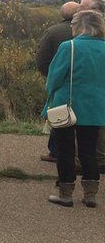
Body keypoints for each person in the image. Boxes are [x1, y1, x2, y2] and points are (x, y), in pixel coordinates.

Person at [45, 10, 105, 207]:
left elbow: (53, 79)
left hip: (67, 105)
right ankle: (90, 196)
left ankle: (66, 193)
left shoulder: (68, 47)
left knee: (65, 150)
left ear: (80, 26)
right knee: (89, 150)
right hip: (95, 107)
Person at [36, 1, 80, 162]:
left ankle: (55, 151)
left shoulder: (53, 32)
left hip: (60, 81)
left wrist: (49, 76)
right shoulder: (93, 33)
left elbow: (42, 58)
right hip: (87, 83)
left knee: (59, 115)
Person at [76, 0, 105, 174]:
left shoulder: (81, 38)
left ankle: (89, 162)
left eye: (83, 7)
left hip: (87, 91)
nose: (79, 10)